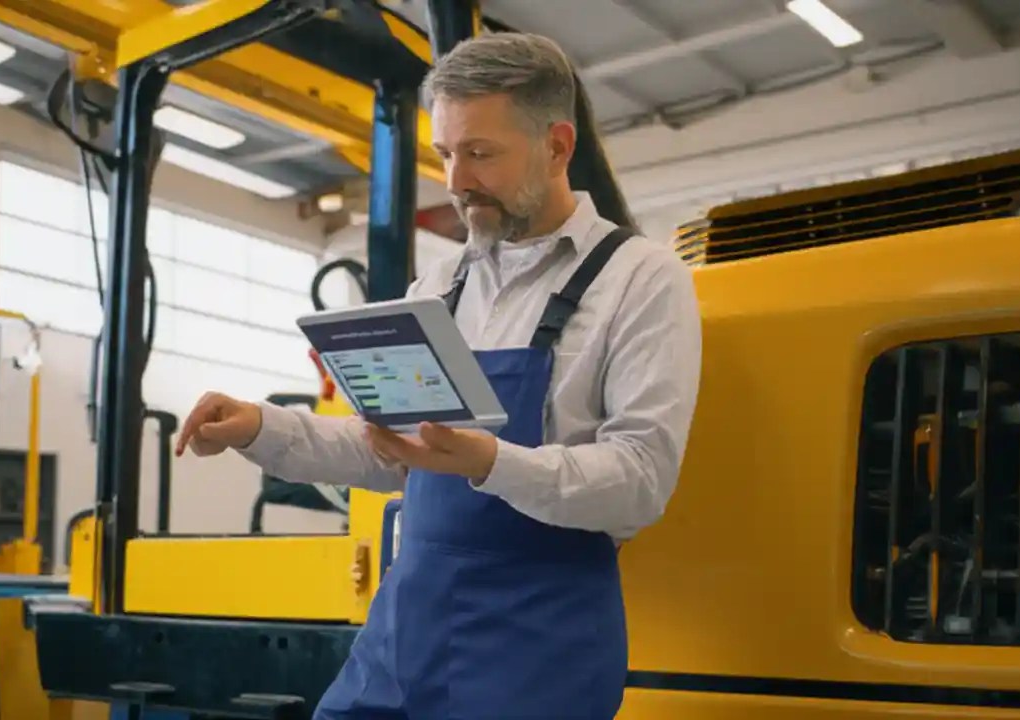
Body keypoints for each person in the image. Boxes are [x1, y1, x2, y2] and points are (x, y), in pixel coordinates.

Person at [175, 31, 702, 720]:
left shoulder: (642, 279)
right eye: (446, 154)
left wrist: (489, 461)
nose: (455, 181)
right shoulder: (444, 283)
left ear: (557, 146)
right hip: (406, 633)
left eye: (480, 154)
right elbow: (392, 450)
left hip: (539, 649)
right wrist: (263, 429)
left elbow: (640, 482)